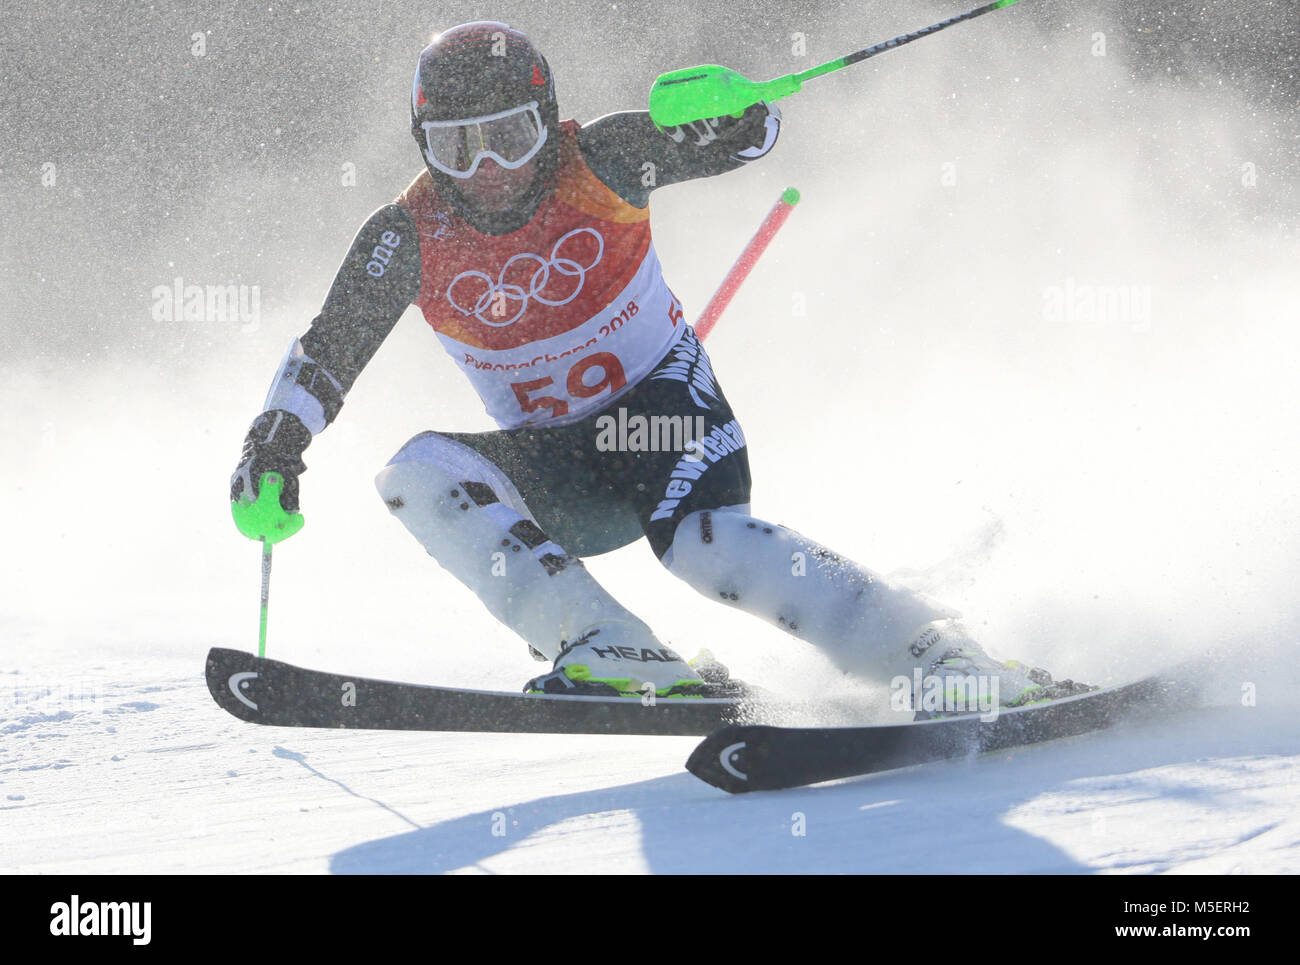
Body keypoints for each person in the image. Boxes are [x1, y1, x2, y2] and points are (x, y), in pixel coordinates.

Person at [230, 21, 1088, 711]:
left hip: (666, 422)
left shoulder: (600, 160)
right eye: (460, 150)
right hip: (562, 469)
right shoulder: (404, 238)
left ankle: (941, 655)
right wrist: (273, 446)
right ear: (424, 149)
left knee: (708, 548)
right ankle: (613, 649)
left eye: (510, 138)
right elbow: (326, 351)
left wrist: (734, 112)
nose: (490, 172)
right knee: (414, 472)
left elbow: (752, 137)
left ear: (549, 121)